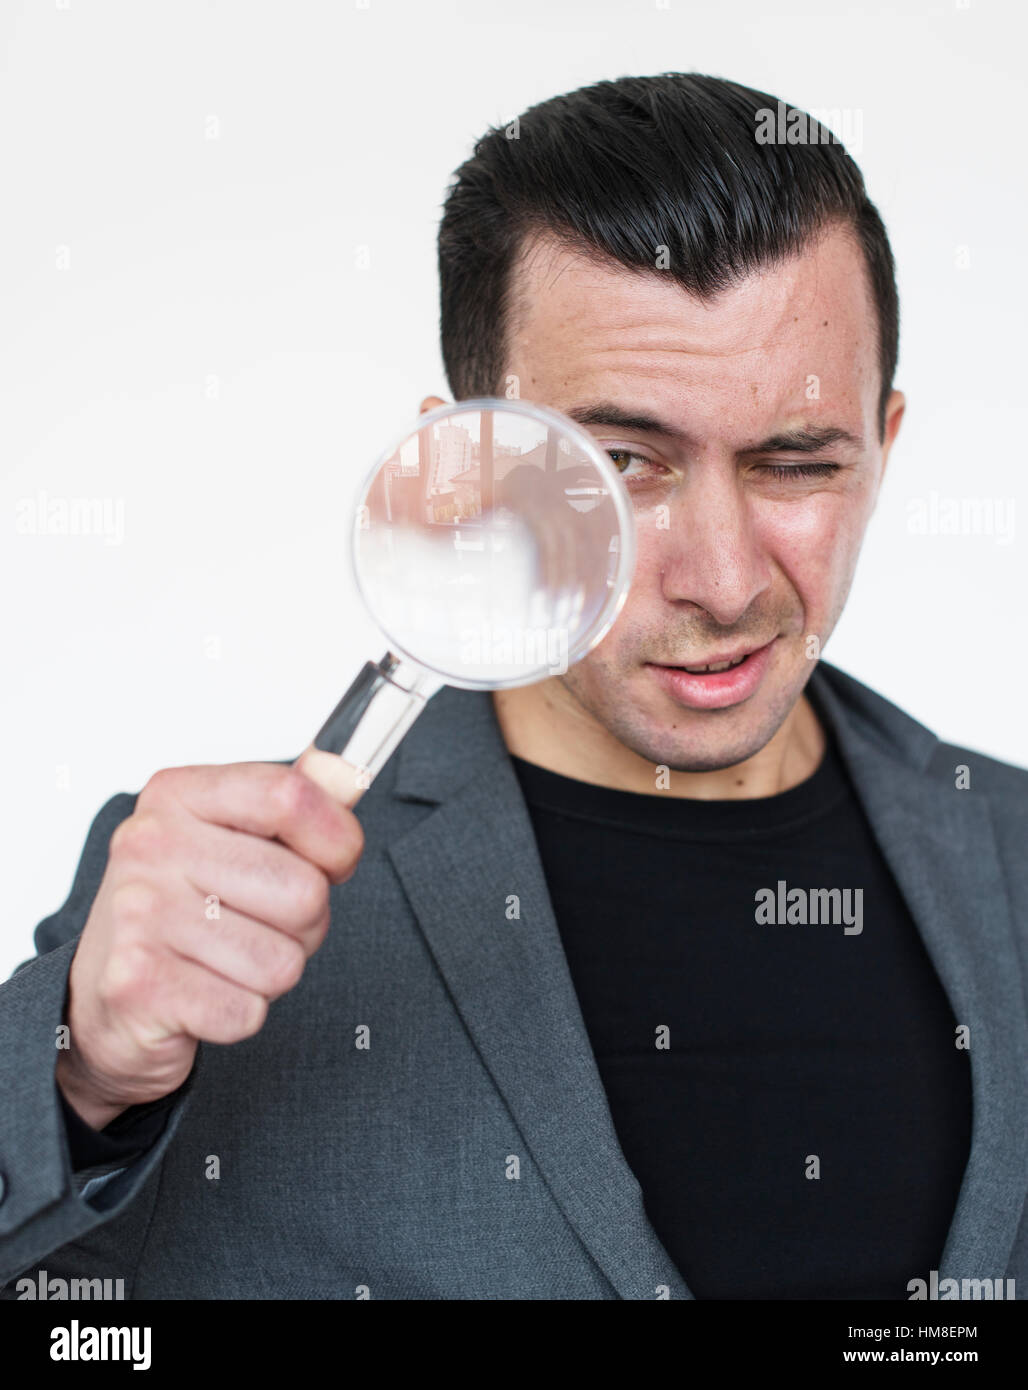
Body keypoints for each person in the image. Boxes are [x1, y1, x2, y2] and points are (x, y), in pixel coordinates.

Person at [2, 73, 1025, 1302]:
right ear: (471, 472)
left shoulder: (1008, 854)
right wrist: (82, 1076)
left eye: (795, 463)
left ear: (883, 447)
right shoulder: (204, 918)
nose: (718, 576)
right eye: (624, 465)